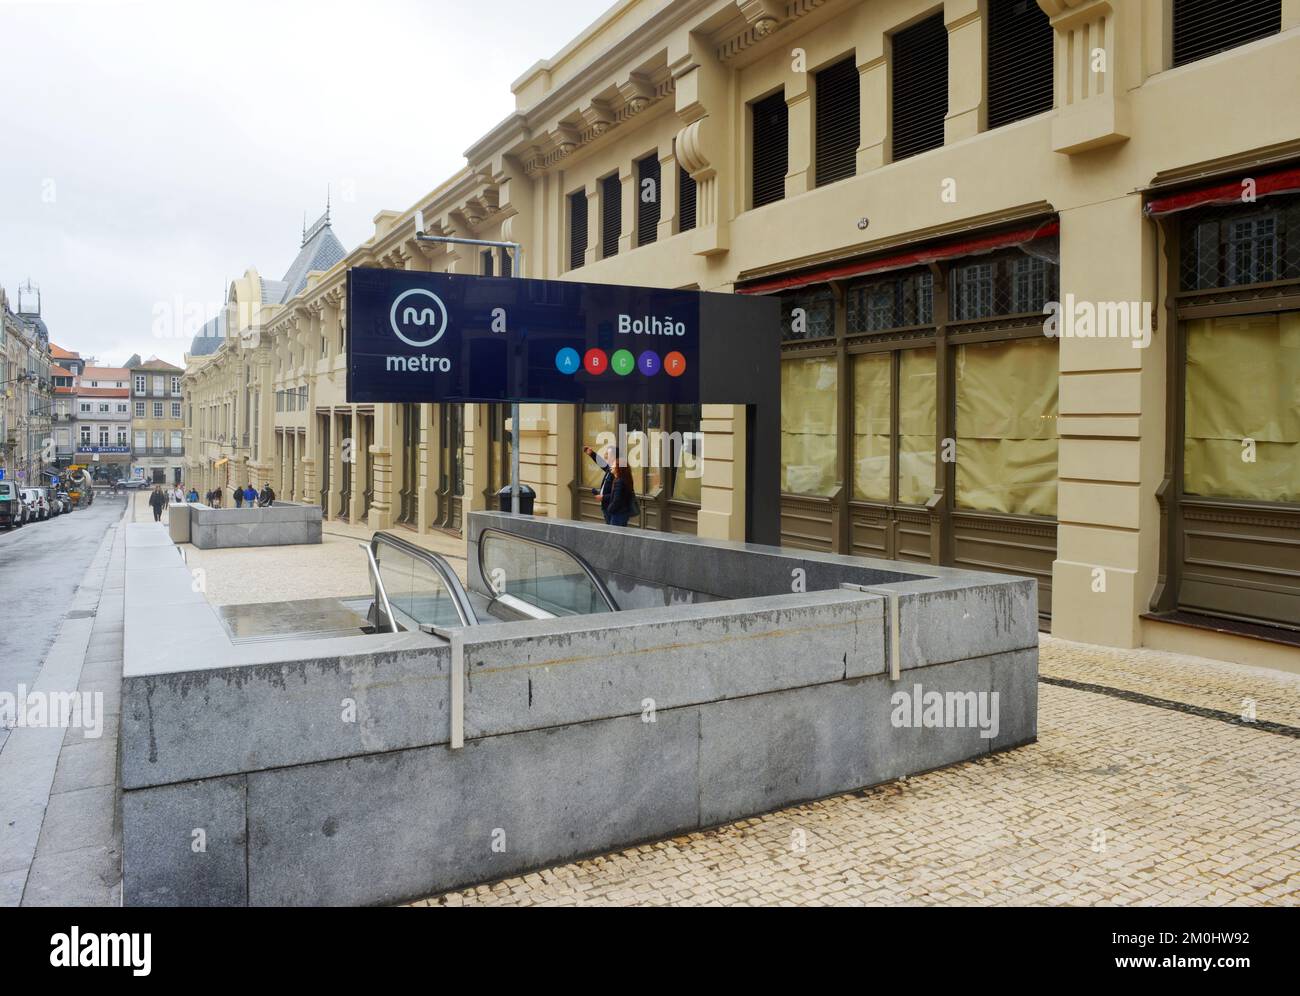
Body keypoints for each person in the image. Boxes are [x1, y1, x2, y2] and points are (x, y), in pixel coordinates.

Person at [582, 443, 615, 523]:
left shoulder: (617, 472)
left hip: (611, 508)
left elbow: (617, 494)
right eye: (607, 454)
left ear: (614, 457)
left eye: (608, 455)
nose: (606, 456)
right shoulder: (611, 469)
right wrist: (592, 454)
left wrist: (603, 497)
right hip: (606, 507)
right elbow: (602, 464)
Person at [605, 453, 636, 527]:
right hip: (623, 513)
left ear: (619, 468)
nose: (612, 466)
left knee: (615, 536)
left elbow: (617, 500)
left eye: (614, 465)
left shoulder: (619, 481)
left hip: (618, 514)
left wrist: (609, 509)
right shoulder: (625, 480)